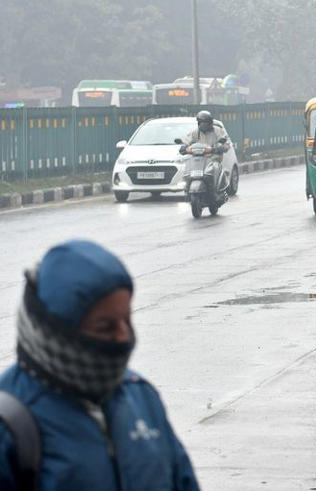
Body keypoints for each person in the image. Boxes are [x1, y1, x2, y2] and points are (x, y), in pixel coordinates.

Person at [0, 240, 199, 490]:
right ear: (58, 332)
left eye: (127, 320)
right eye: (106, 327)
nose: (124, 336)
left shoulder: (141, 397)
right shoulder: (9, 423)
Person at [180, 110, 230, 191]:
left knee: (214, 173)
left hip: (213, 160)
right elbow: (187, 142)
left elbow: (226, 143)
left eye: (205, 122)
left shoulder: (217, 131)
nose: (203, 124)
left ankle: (216, 190)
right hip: (198, 160)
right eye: (201, 122)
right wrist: (184, 147)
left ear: (210, 123)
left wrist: (219, 148)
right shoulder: (195, 132)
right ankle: (187, 189)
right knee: (187, 173)